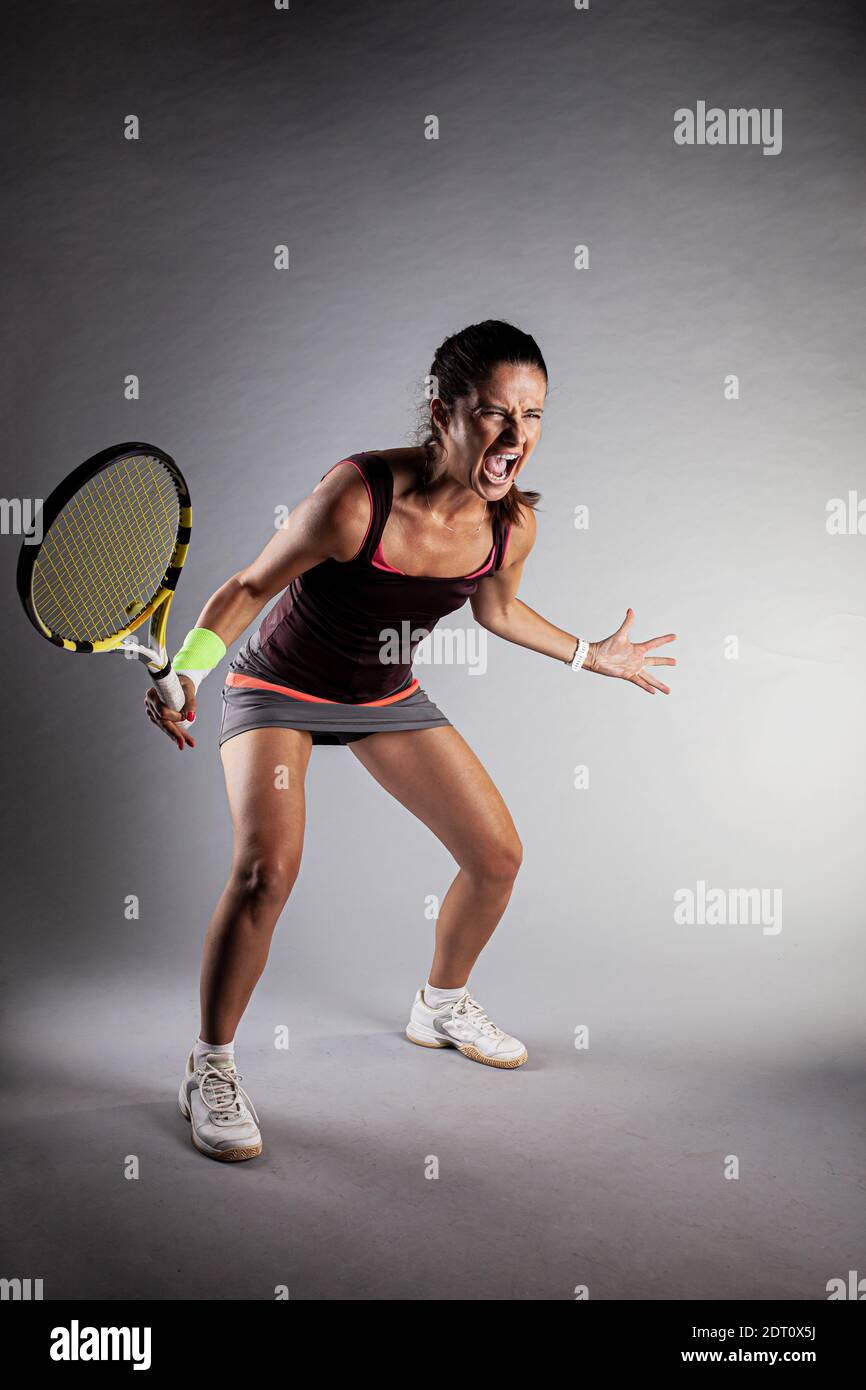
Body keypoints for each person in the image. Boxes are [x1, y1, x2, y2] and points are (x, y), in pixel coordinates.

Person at [146, 320, 677, 1162]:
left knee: (497, 856)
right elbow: (251, 584)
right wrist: (185, 673)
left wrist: (592, 656)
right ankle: (208, 1066)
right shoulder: (358, 496)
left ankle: (440, 1004)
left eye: (533, 416)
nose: (516, 437)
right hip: (278, 688)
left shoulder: (510, 527)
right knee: (264, 872)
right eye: (495, 413)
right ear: (443, 412)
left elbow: (495, 611)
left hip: (380, 694)